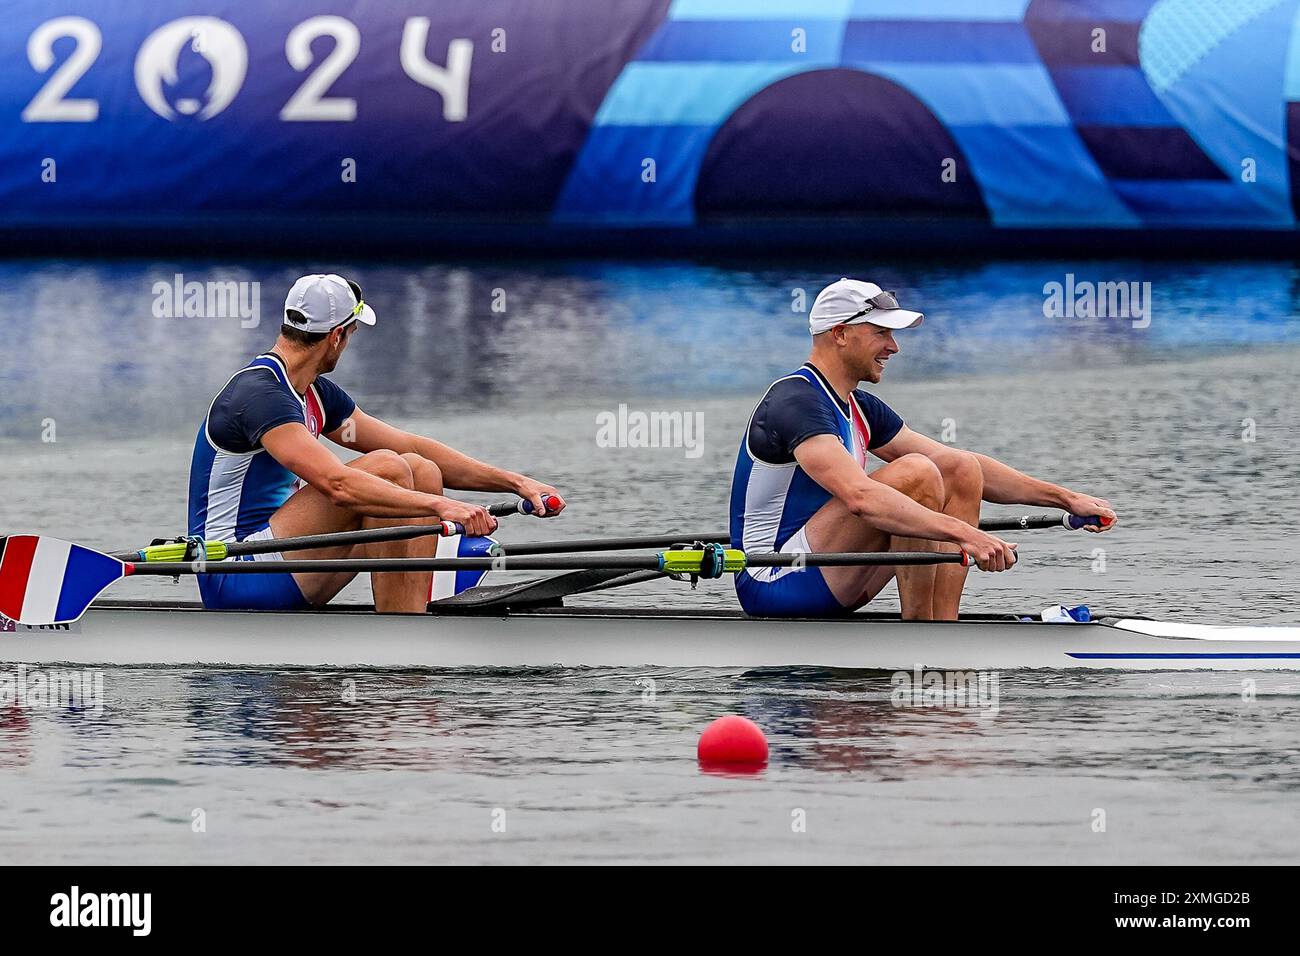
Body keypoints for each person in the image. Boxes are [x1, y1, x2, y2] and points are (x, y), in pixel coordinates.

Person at [729, 277, 1115, 620]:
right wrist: (968, 535)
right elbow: (861, 498)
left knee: (960, 467)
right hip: (775, 580)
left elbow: (960, 467)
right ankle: (922, 632)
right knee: (916, 472)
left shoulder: (858, 406)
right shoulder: (795, 401)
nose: (893, 347)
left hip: (831, 569)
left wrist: (1065, 498)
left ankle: (940, 624)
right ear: (841, 334)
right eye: (881, 333)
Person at [188, 273, 564, 612]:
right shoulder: (259, 395)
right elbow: (338, 486)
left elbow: (411, 445)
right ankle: (404, 636)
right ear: (336, 336)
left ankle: (407, 618)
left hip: (286, 564)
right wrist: (443, 506)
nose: (349, 343)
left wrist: (518, 482)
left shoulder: (316, 394)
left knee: (419, 467)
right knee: (389, 468)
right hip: (236, 571)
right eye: (351, 334)